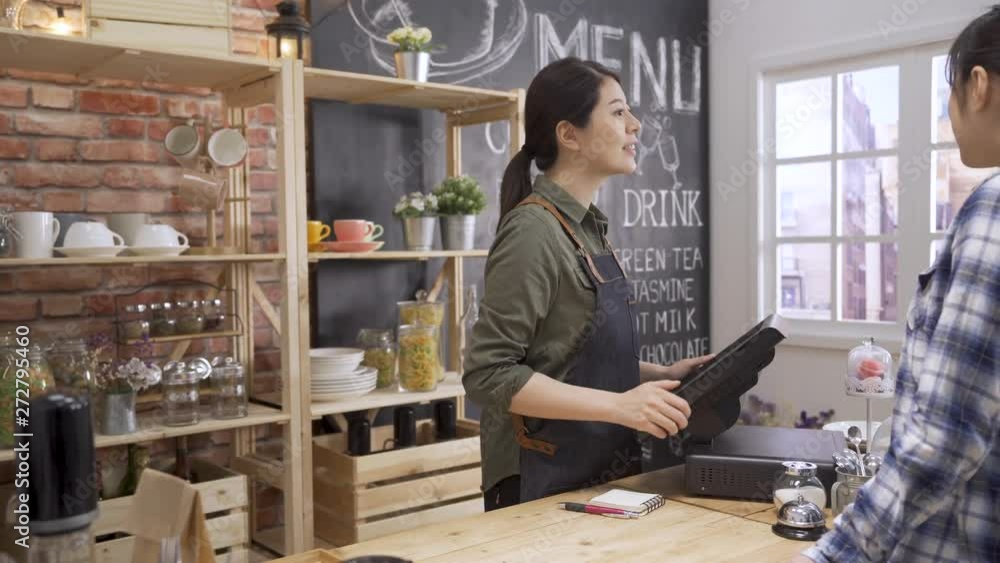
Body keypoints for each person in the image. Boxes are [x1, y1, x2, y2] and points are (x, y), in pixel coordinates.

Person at [794, 7, 1000, 563]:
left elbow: (945, 436)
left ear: (977, 85)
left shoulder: (995, 208)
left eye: (946, 93)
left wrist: (836, 554)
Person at [462, 57, 712, 510]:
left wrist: (659, 375)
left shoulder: (587, 228)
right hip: (540, 482)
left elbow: (565, 358)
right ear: (569, 134)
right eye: (618, 112)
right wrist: (620, 407)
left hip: (599, 470)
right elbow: (488, 374)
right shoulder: (533, 231)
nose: (635, 125)